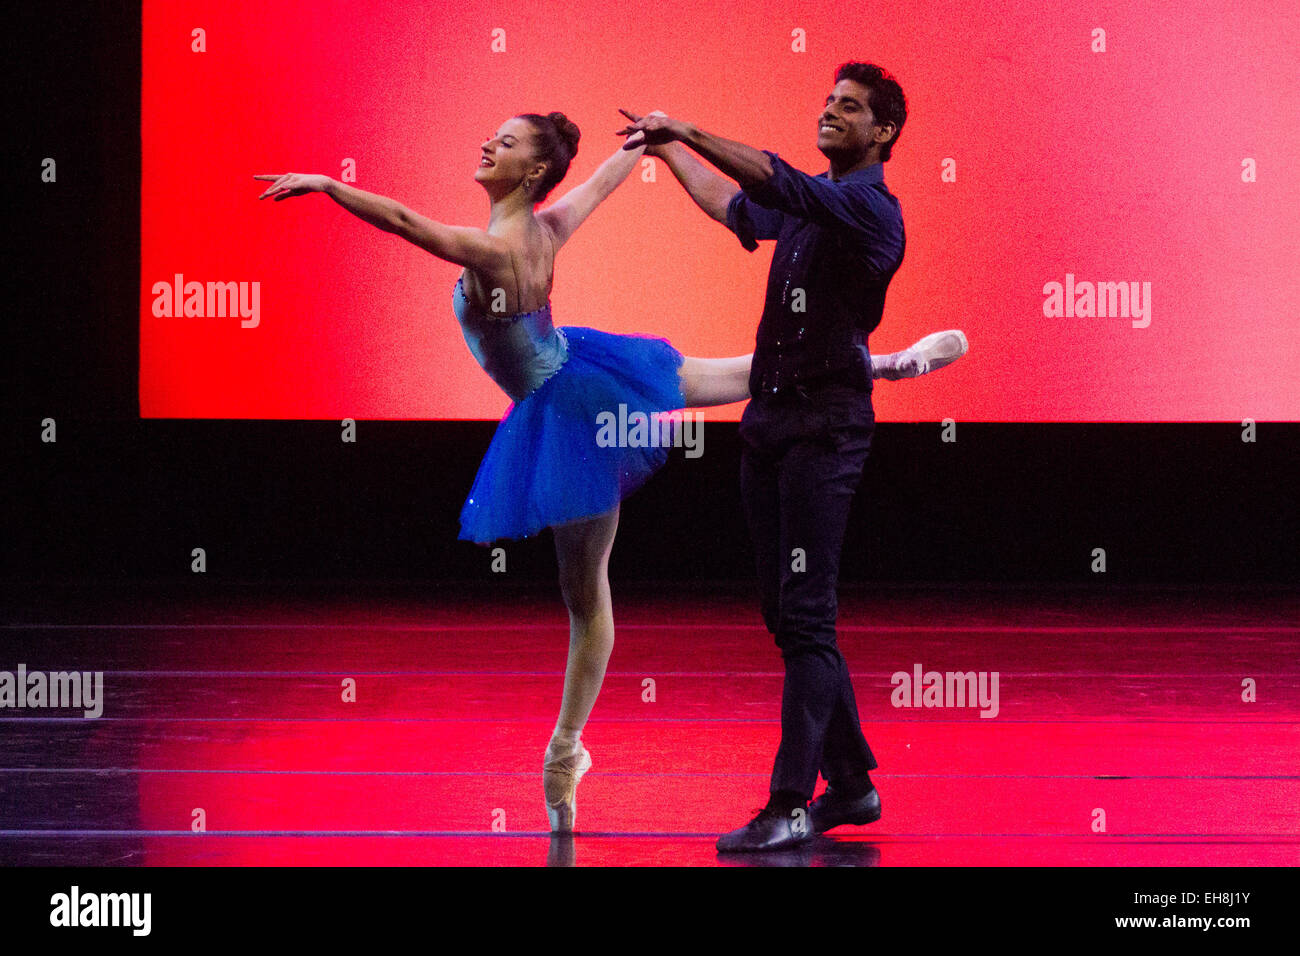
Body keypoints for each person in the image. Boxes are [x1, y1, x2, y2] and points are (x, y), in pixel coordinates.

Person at [255, 104, 961, 835]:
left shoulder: (496, 251)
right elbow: (604, 180)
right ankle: (878, 363)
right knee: (705, 389)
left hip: (570, 410)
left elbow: (406, 221)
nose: (487, 140)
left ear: (530, 172)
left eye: (506, 141)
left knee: (587, 597)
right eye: (491, 132)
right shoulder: (547, 227)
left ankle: (565, 752)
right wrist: (648, 143)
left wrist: (329, 187)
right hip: (582, 376)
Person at [619, 61, 928, 851]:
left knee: (808, 617)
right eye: (828, 102)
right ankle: (852, 786)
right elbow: (736, 206)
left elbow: (780, 184)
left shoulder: (867, 211)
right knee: (784, 615)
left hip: (827, 430)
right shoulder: (807, 205)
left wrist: (689, 126)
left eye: (850, 108)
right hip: (770, 427)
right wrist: (665, 151)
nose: (830, 112)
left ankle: (791, 801)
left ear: (883, 131)